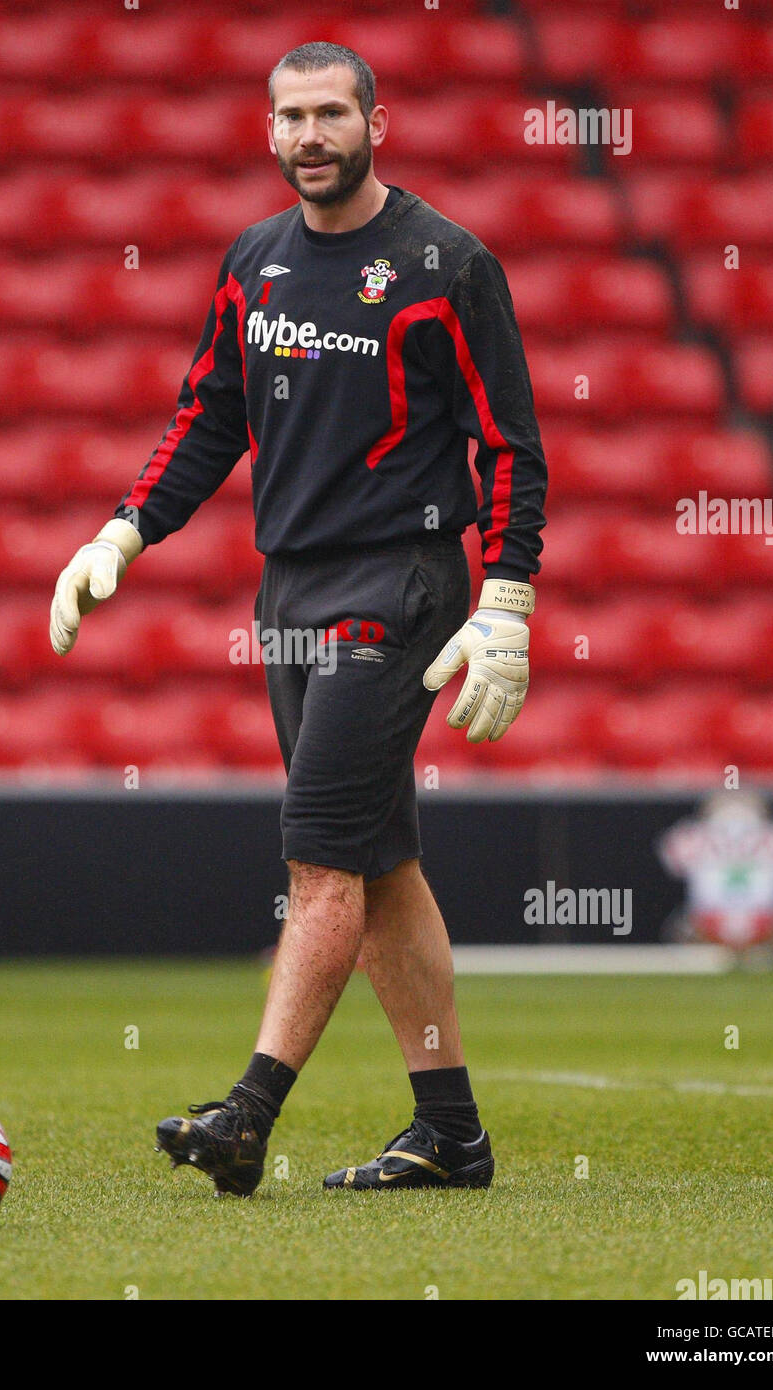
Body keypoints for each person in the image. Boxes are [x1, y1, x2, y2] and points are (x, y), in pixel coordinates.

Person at [49, 42, 547, 1195]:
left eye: (331, 113)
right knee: (376, 865)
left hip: (399, 584)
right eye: (290, 117)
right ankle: (450, 1134)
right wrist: (121, 532)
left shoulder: (443, 263)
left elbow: (508, 445)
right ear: (268, 131)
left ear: (378, 120)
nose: (309, 135)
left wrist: (505, 601)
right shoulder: (254, 261)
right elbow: (209, 414)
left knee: (320, 859)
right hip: (291, 591)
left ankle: (247, 1110)